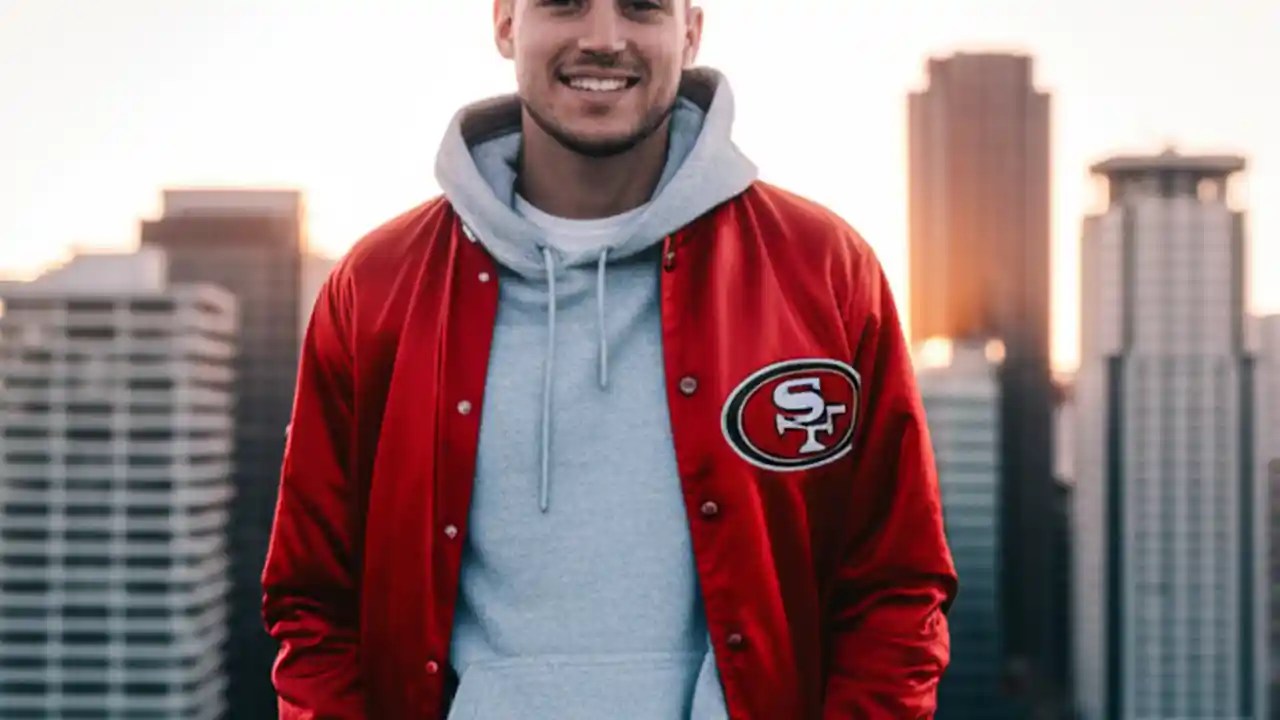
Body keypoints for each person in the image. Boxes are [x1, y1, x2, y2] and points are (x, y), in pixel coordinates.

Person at [261, 0, 958, 718]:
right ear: (505, 23)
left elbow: (894, 587)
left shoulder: (823, 271)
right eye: (564, 3)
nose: (603, 39)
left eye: (642, 7)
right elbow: (313, 599)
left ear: (690, 30)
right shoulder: (376, 287)